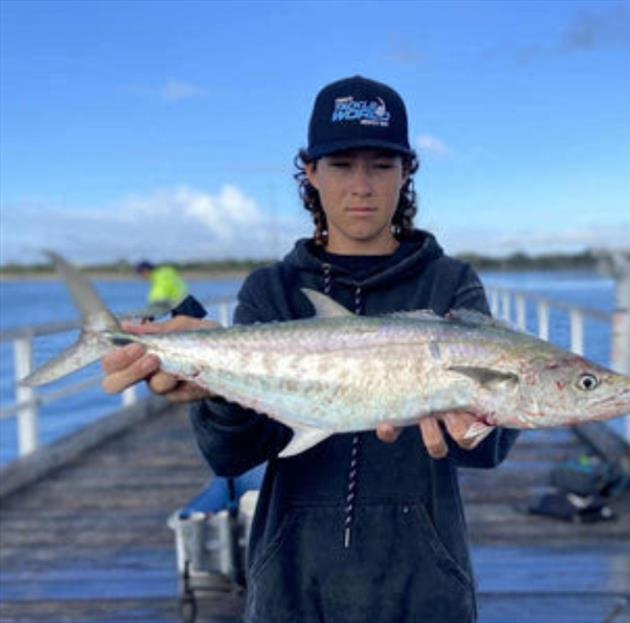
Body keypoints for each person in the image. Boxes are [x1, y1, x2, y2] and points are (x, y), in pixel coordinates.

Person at [102, 75, 519, 623]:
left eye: (382, 164)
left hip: (424, 584)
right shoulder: (270, 289)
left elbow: (488, 449)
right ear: (311, 172)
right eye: (342, 164)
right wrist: (215, 388)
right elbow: (232, 455)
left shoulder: (449, 285)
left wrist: (477, 425)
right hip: (293, 581)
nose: (362, 186)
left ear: (407, 172)